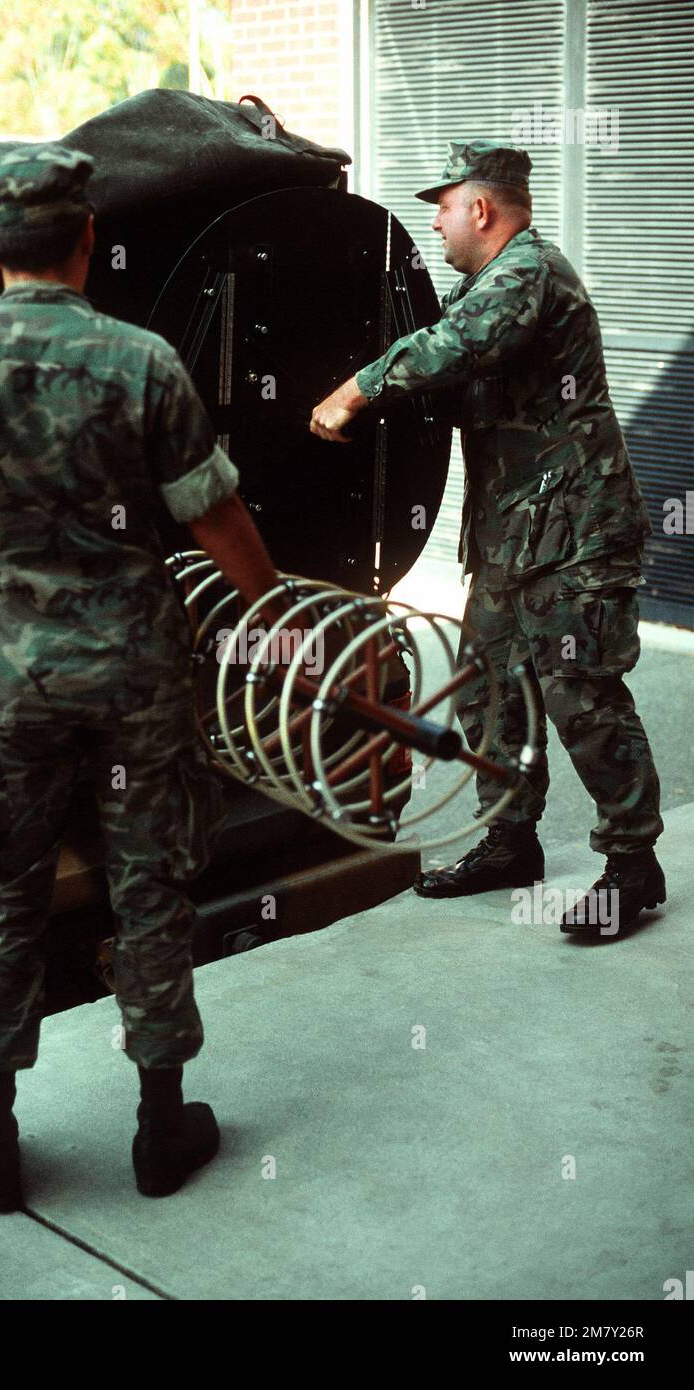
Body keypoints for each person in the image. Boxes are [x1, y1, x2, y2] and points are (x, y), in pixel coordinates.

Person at [0, 143, 282, 1212]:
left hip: (8, 675)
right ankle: (157, 1128)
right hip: (137, 675)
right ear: (88, 238)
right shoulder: (140, 360)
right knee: (150, 892)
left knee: (1, 895)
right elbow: (213, 513)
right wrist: (276, 618)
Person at [310, 139, 664, 939]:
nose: (433, 221)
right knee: (487, 683)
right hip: (514, 530)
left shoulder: (525, 274)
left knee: (581, 692)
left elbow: (455, 347)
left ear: (482, 208)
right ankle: (510, 840)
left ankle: (631, 865)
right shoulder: (486, 281)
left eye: (442, 205)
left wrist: (355, 390)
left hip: (577, 529)